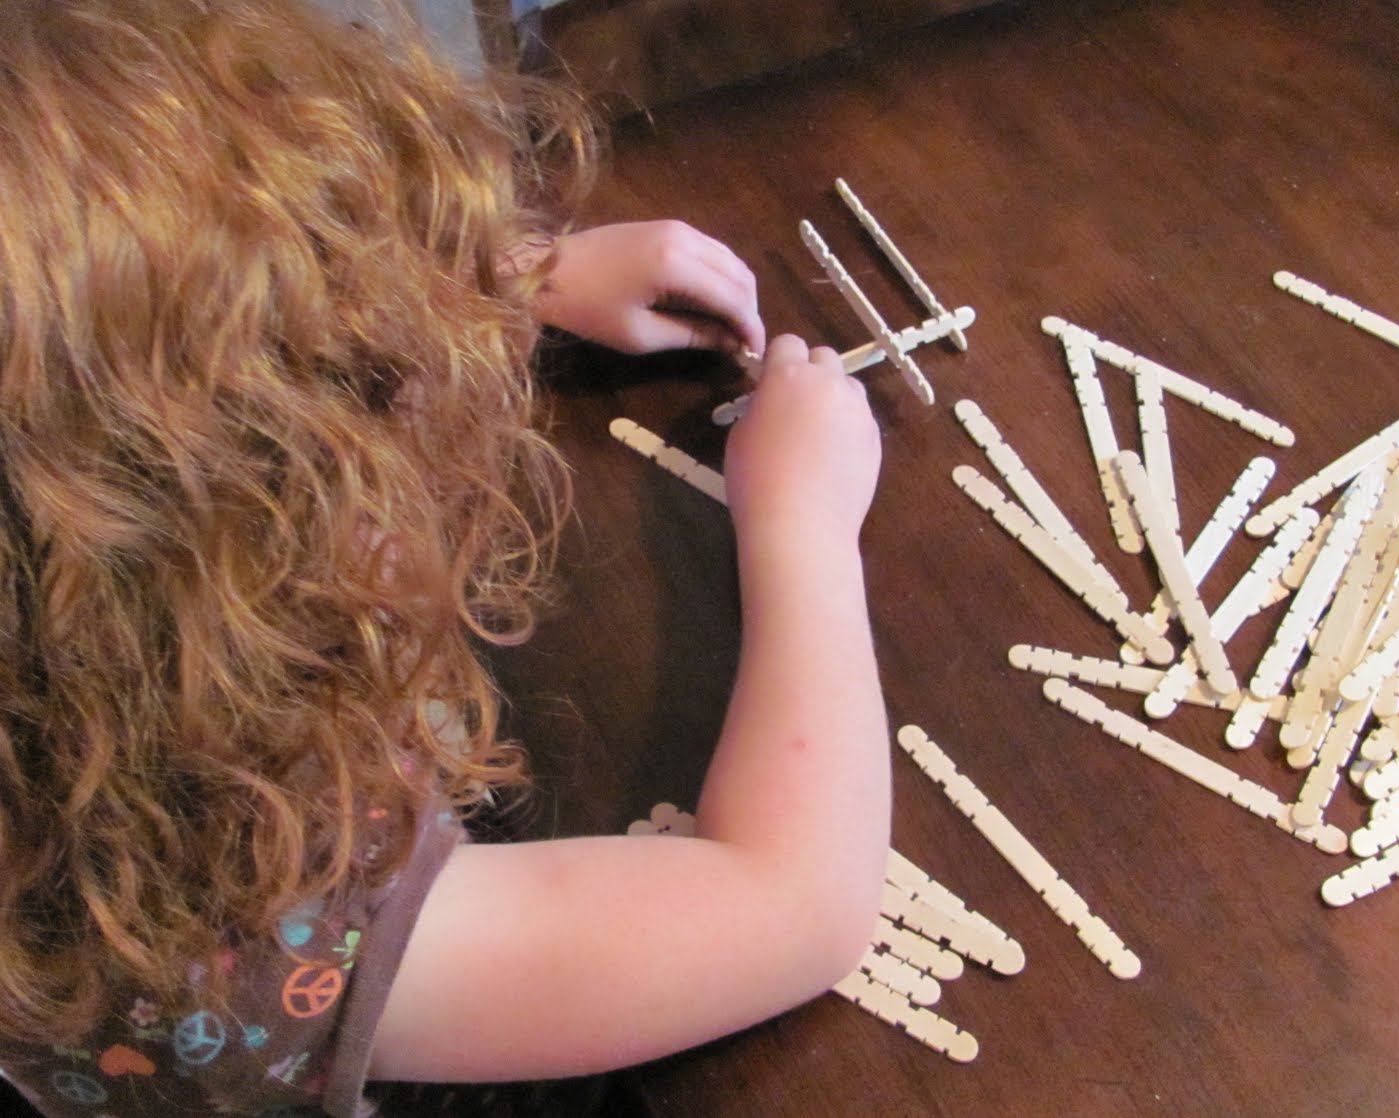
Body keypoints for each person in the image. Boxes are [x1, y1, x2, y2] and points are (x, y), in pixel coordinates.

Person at [0, 1, 890, 1115]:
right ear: (200, 578)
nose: (424, 375)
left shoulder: (68, 652)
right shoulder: (240, 951)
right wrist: (799, 525)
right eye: (357, 390)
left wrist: (515, 274)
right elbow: (795, 902)